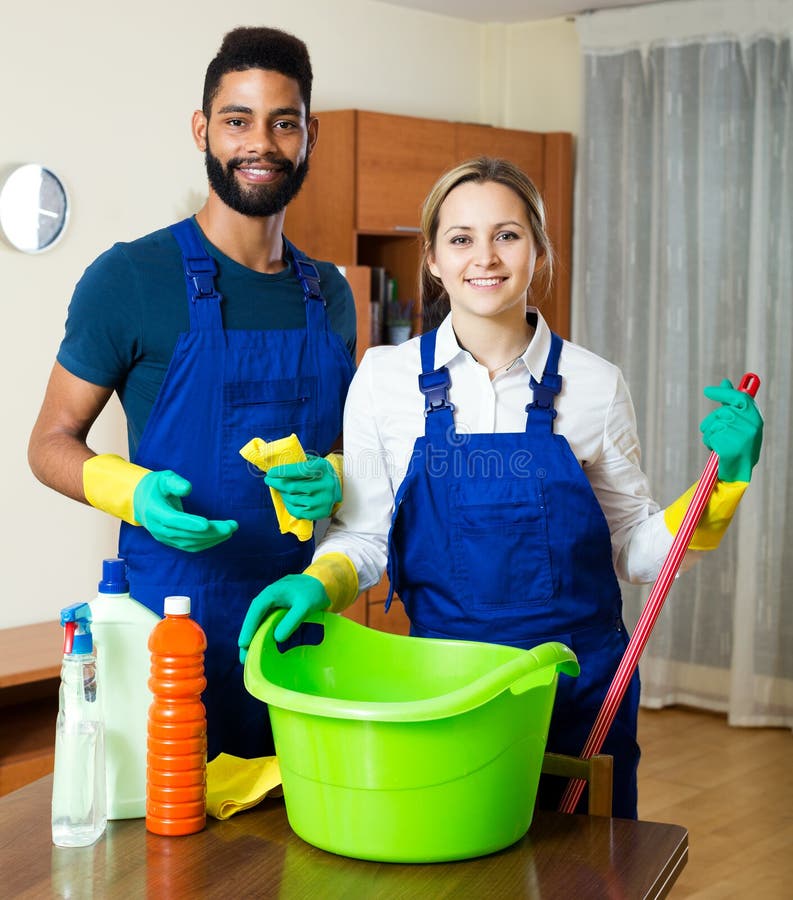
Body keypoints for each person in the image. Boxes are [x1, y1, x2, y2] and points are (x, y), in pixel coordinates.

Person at [237, 156, 763, 818]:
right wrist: (320, 582)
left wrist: (724, 483)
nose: (483, 257)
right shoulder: (383, 379)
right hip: (447, 689)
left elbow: (632, 547)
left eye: (506, 235)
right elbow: (367, 534)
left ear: (537, 250)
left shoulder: (595, 385)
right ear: (431, 257)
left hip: (576, 694)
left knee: (585, 879)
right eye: (459, 238)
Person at [28, 27, 357, 761]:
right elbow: (48, 444)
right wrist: (129, 491)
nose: (260, 142)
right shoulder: (130, 278)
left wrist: (335, 477)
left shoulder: (330, 295)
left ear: (309, 135)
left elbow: (348, 449)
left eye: (283, 121)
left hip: (298, 625)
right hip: (171, 626)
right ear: (202, 129)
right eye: (237, 119)